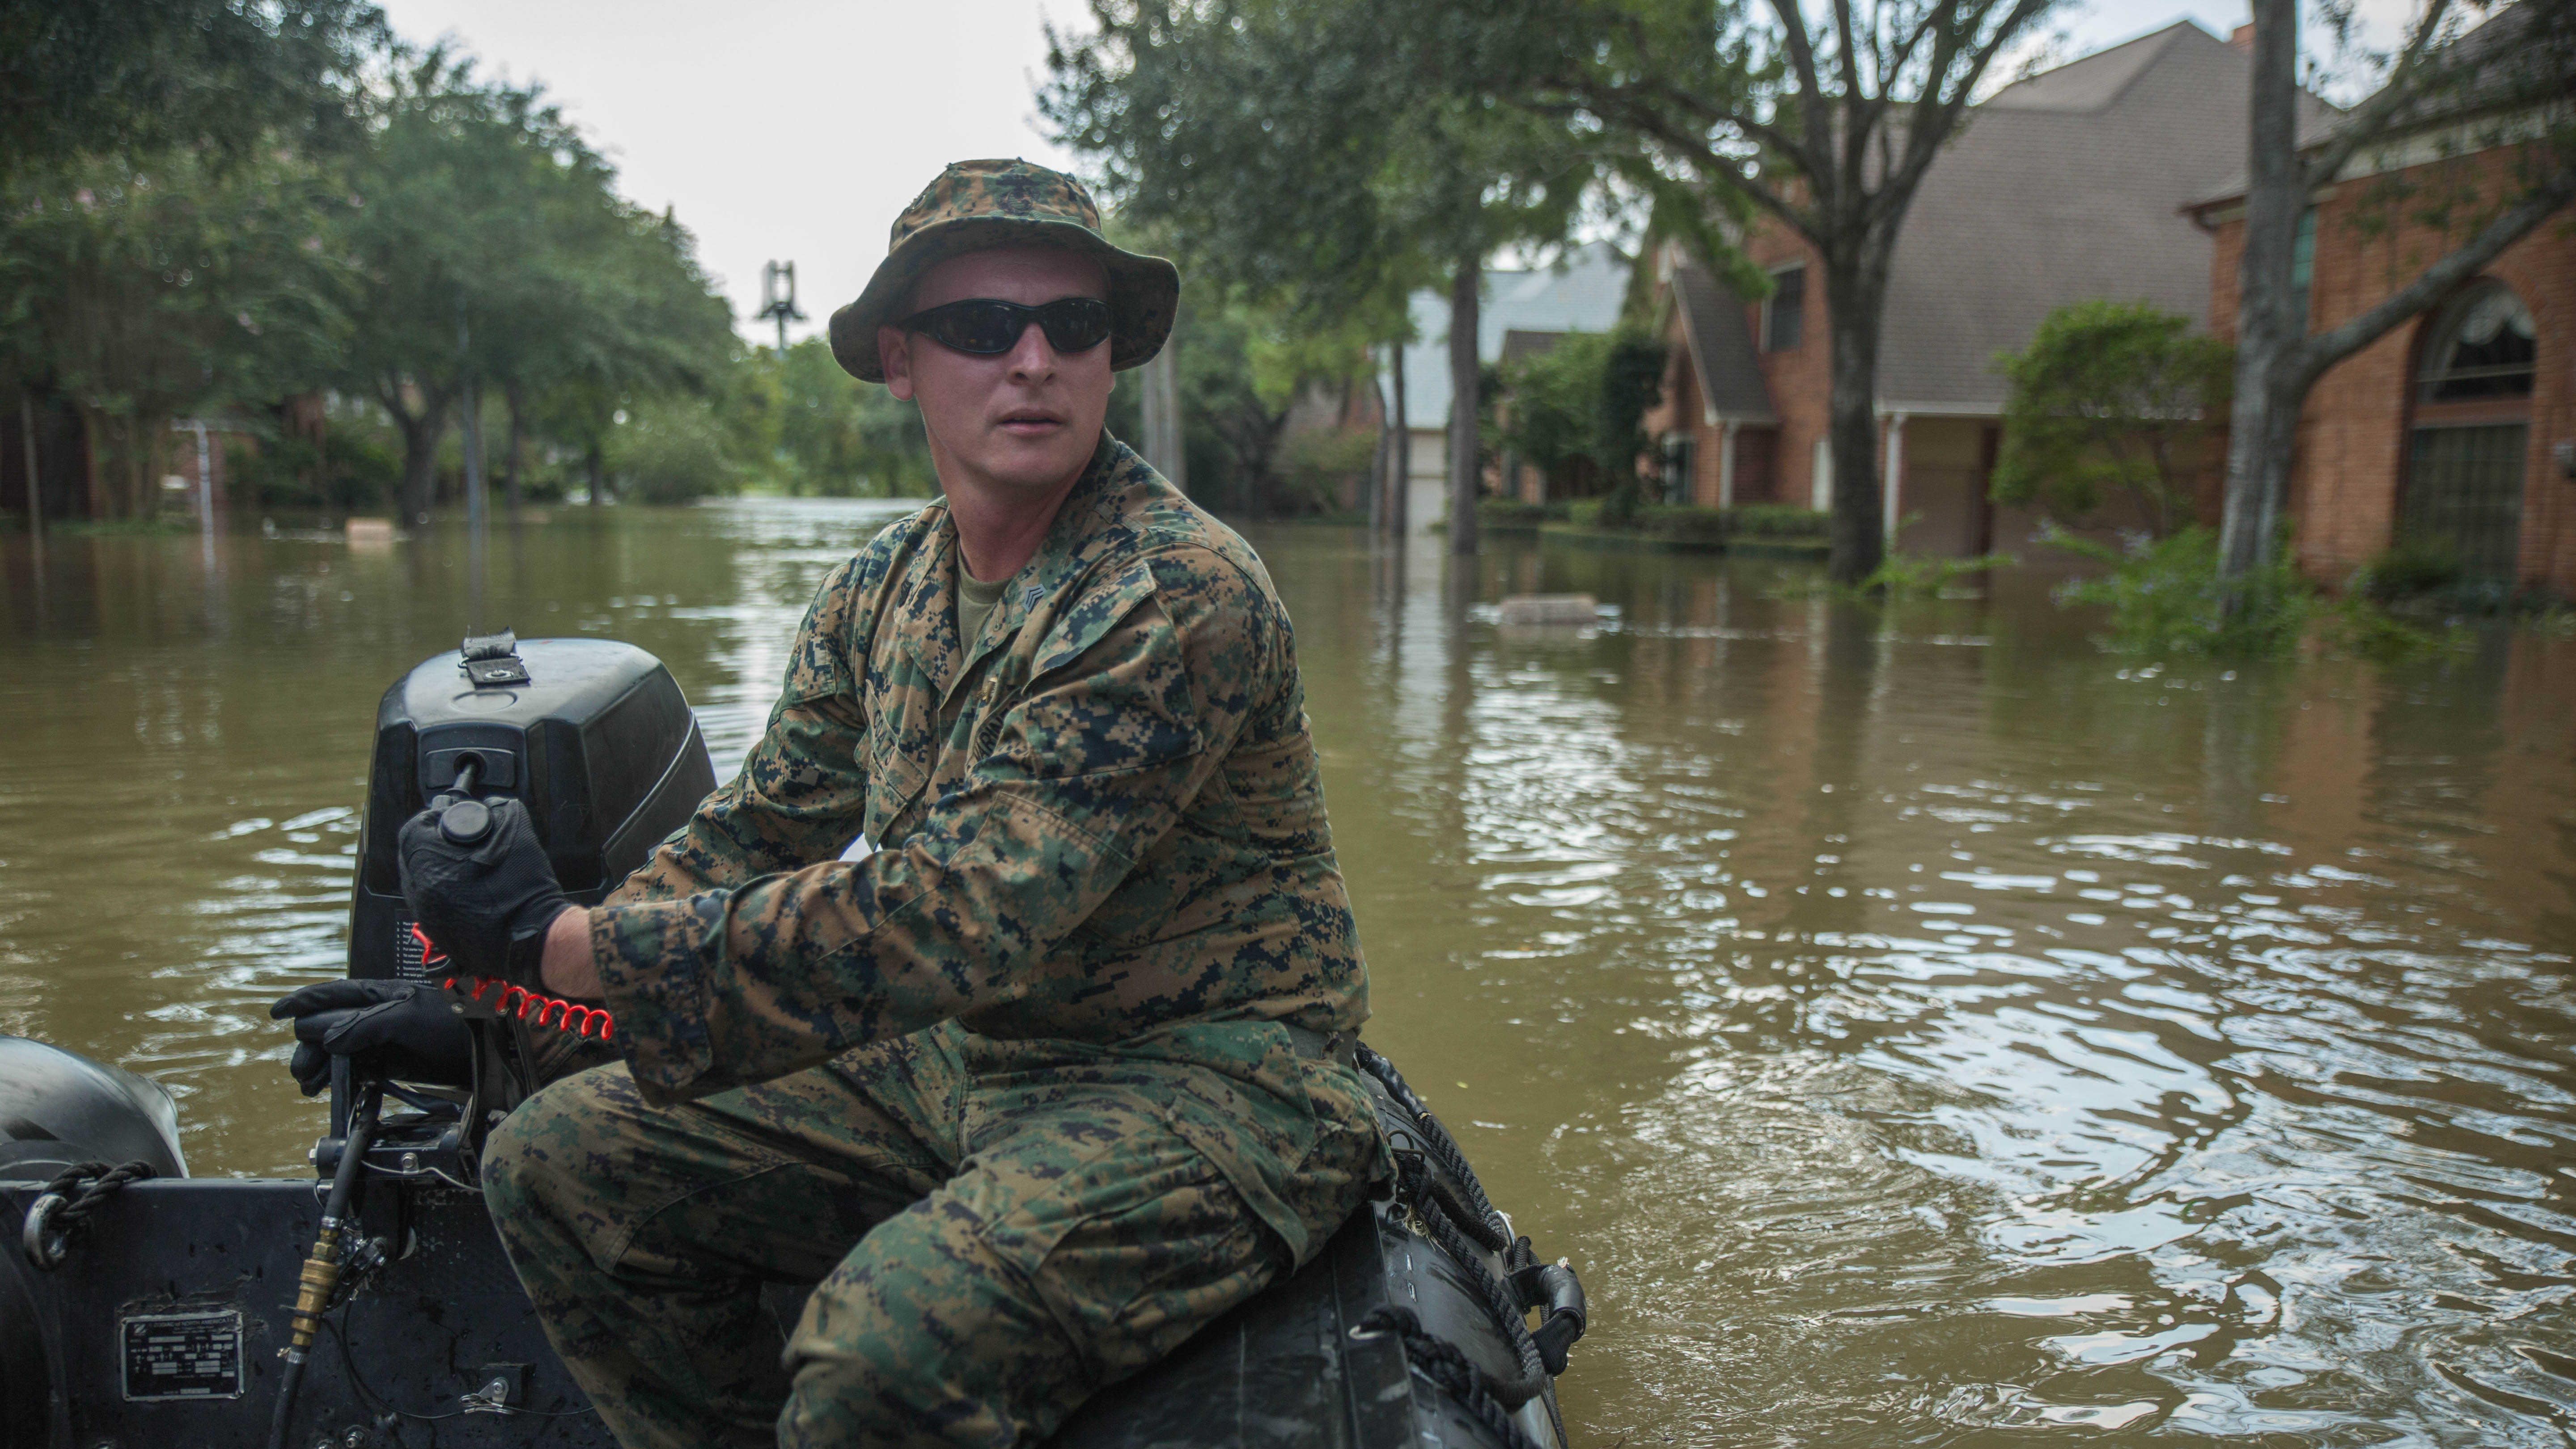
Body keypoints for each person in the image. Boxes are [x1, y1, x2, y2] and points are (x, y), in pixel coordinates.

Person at [277, 158, 1387, 1448]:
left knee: (883, 1352)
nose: (1033, 359)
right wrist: (502, 1008)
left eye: (1071, 325)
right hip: (965, 1054)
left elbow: (957, 912)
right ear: (902, 361)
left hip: (1208, 1083)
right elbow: (757, 835)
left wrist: (556, 945)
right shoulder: (884, 589)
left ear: (1108, 358)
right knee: (559, 1163)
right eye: (983, 327)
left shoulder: (1174, 593)